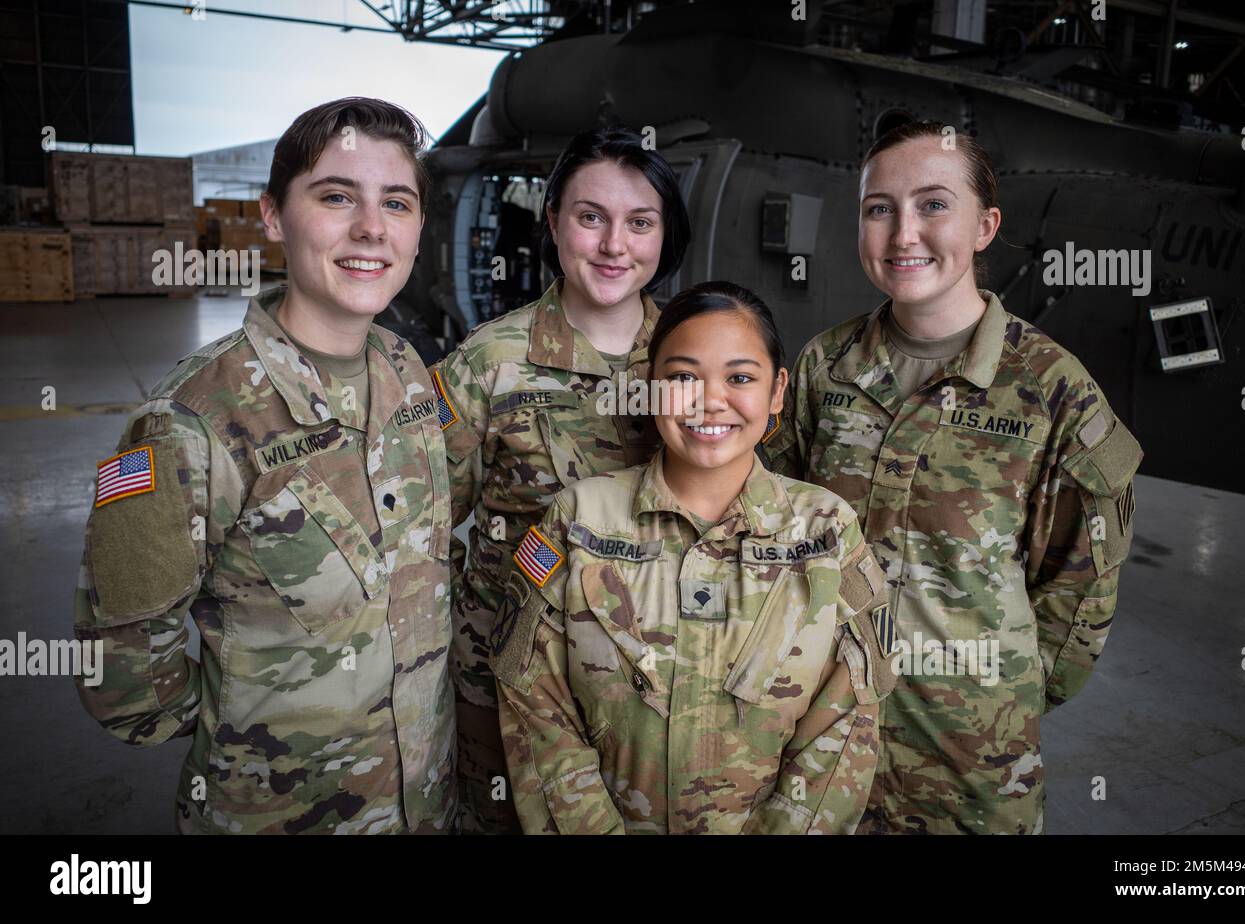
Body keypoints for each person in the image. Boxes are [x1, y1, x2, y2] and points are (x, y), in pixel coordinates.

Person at [71, 97, 457, 834]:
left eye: (396, 203)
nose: (371, 228)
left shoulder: (407, 369)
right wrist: (250, 730)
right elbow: (123, 677)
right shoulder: (191, 421)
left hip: (427, 801)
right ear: (274, 216)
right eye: (336, 197)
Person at [762, 120, 1143, 835]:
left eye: (934, 204)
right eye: (879, 208)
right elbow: (778, 533)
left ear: (985, 226)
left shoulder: (1051, 390)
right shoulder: (825, 366)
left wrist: (992, 695)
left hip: (971, 763)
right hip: (820, 739)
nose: (903, 233)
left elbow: (1080, 590)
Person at [490, 281, 897, 834]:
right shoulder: (580, 517)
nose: (710, 400)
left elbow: (849, 718)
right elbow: (536, 703)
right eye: (683, 378)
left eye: (740, 378)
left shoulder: (826, 530)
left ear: (777, 391)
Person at [432, 128, 691, 833]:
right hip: (507, 680)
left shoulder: (695, 356)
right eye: (590, 217)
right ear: (552, 221)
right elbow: (419, 526)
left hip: (656, 682)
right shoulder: (490, 361)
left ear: (665, 233)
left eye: (640, 223)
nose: (614, 245)